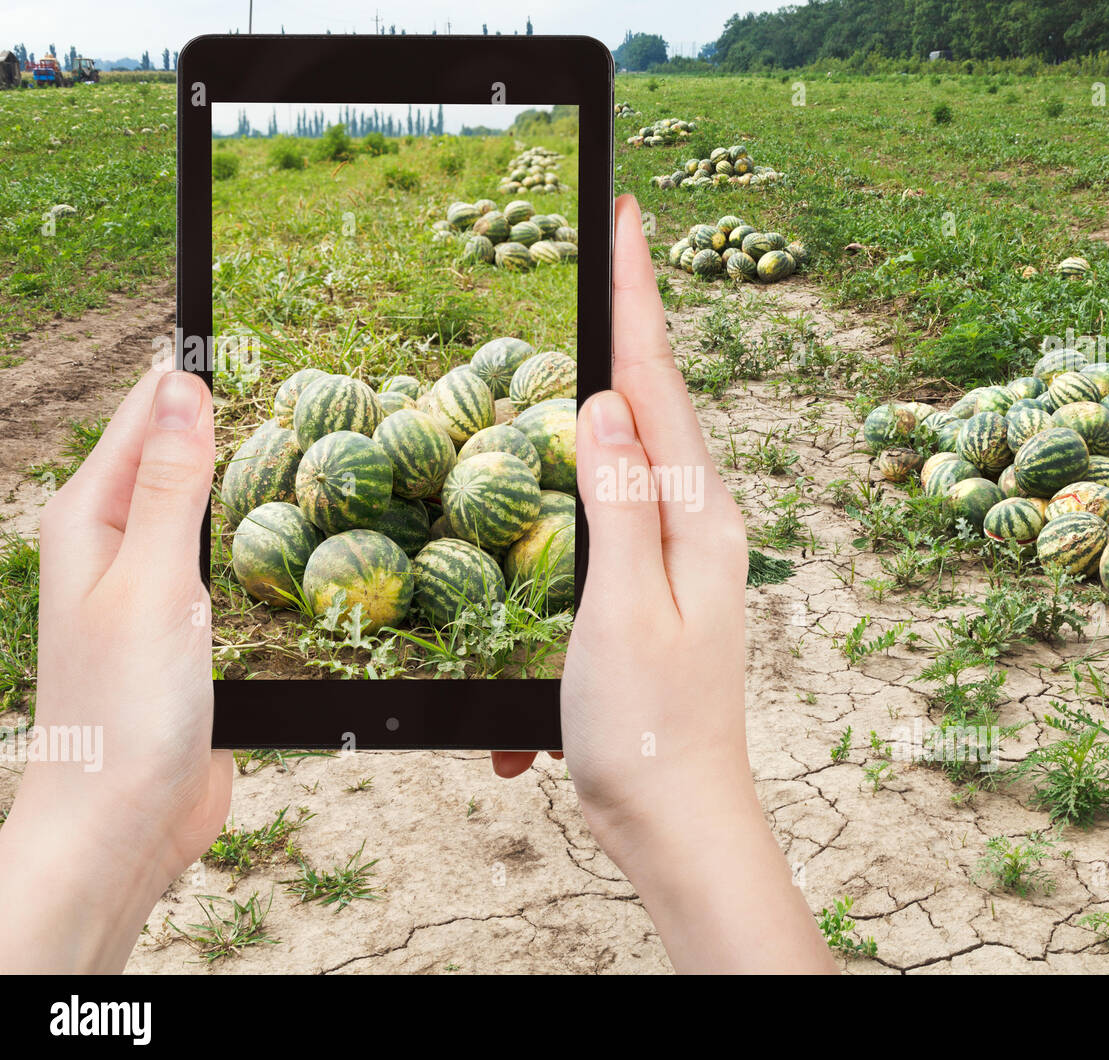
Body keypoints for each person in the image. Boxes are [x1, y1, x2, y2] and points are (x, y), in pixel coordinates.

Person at [0, 196, 837, 975]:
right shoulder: (342, 469)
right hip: (377, 498)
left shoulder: (474, 464)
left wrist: (99, 826)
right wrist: (684, 793)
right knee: (346, 477)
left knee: (456, 494)